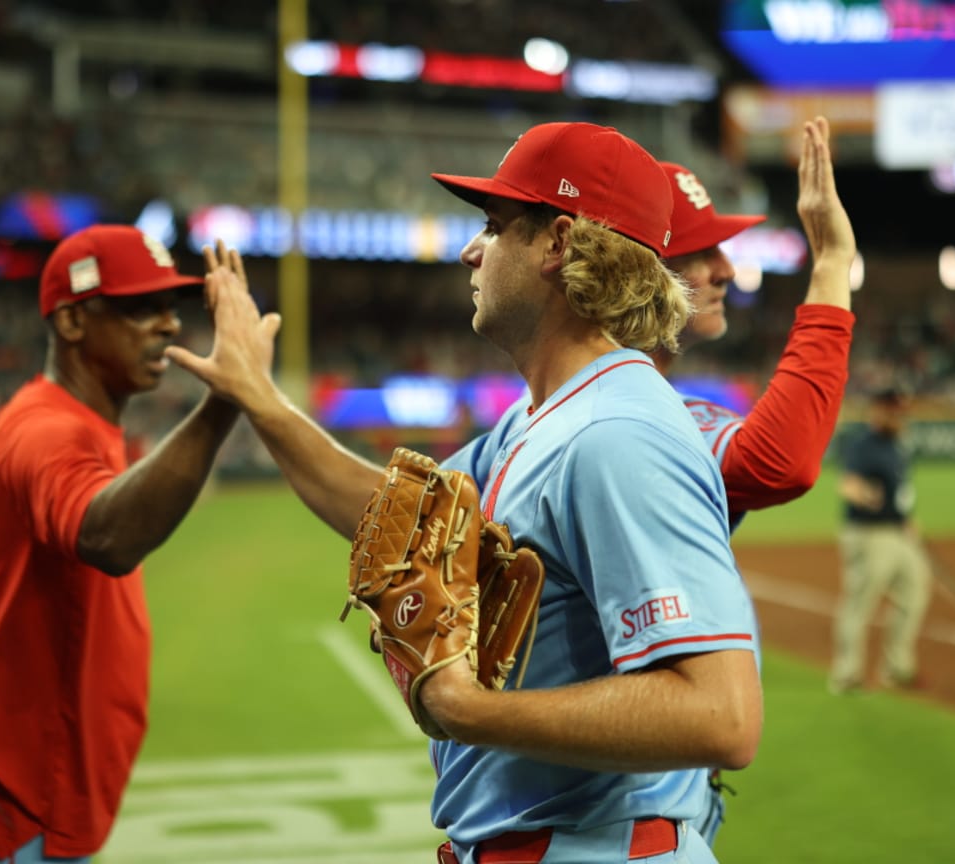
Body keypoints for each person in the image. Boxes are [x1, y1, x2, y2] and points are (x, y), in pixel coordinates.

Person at [171, 122, 762, 863]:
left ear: (559, 244)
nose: (470, 251)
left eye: (494, 226)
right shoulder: (542, 416)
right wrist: (258, 397)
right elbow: (398, 518)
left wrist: (466, 708)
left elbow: (720, 716)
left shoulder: (619, 434)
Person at [0, 225, 272, 862]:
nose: (168, 324)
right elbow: (108, 538)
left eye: (170, 306)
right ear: (72, 321)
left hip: (22, 786)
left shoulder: (48, 417)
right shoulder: (50, 431)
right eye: (139, 307)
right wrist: (226, 400)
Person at [651, 119, 856, 844]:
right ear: (632, 270)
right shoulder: (638, 421)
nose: (726, 270)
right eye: (696, 252)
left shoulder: (541, 417)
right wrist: (832, 264)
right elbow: (782, 459)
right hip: (621, 822)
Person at [828, 387, 932, 694]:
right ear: (879, 411)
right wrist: (866, 496)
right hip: (869, 533)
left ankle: (896, 668)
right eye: (895, 412)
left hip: (897, 533)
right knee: (860, 602)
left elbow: (899, 492)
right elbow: (848, 485)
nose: (901, 418)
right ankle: (847, 674)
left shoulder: (897, 446)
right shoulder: (864, 445)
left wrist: (906, 519)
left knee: (914, 593)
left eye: (903, 413)